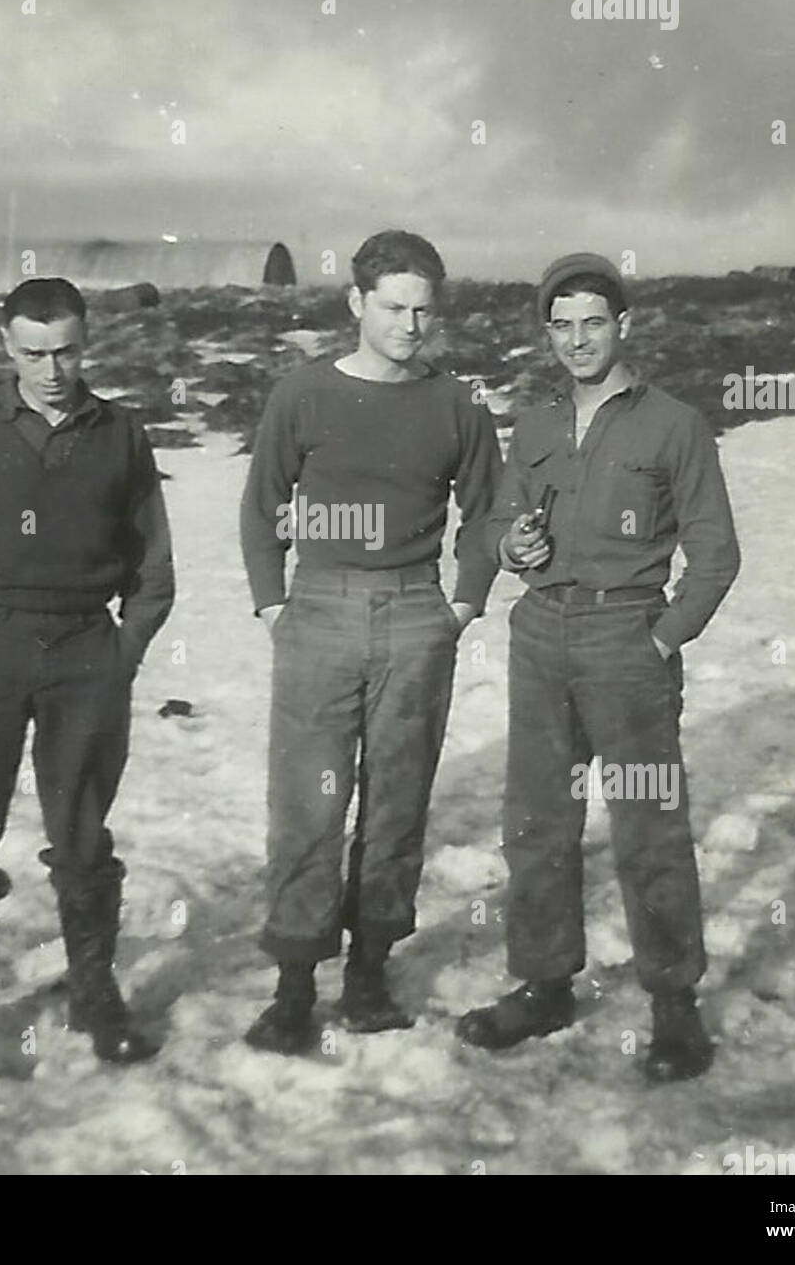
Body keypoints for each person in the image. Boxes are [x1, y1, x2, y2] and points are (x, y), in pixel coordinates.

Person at [457, 253, 740, 1083]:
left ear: (623, 327)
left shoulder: (673, 424)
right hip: (541, 634)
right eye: (561, 325)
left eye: (593, 323)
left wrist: (662, 638)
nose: (577, 340)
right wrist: (512, 543)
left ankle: (672, 1003)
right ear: (547, 333)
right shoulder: (537, 422)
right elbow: (498, 522)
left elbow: (715, 553)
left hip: (627, 641)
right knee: (537, 820)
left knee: (647, 825)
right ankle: (544, 984)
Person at [0, 276, 174, 1101]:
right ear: (6, 350)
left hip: (85, 648)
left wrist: (121, 655)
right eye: (34, 353)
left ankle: (93, 993)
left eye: (68, 351)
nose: (52, 369)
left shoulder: (120, 432)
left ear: (88, 346)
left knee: (82, 830)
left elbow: (153, 565)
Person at [239, 230, 502, 1054]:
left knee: (396, 801)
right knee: (308, 803)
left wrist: (462, 604)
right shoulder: (303, 394)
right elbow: (260, 506)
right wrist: (273, 607)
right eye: (392, 306)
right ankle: (292, 986)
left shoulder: (456, 404)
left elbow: (487, 512)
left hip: (415, 616)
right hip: (317, 612)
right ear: (356, 303)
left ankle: (368, 974)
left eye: (424, 310)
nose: (409, 325)